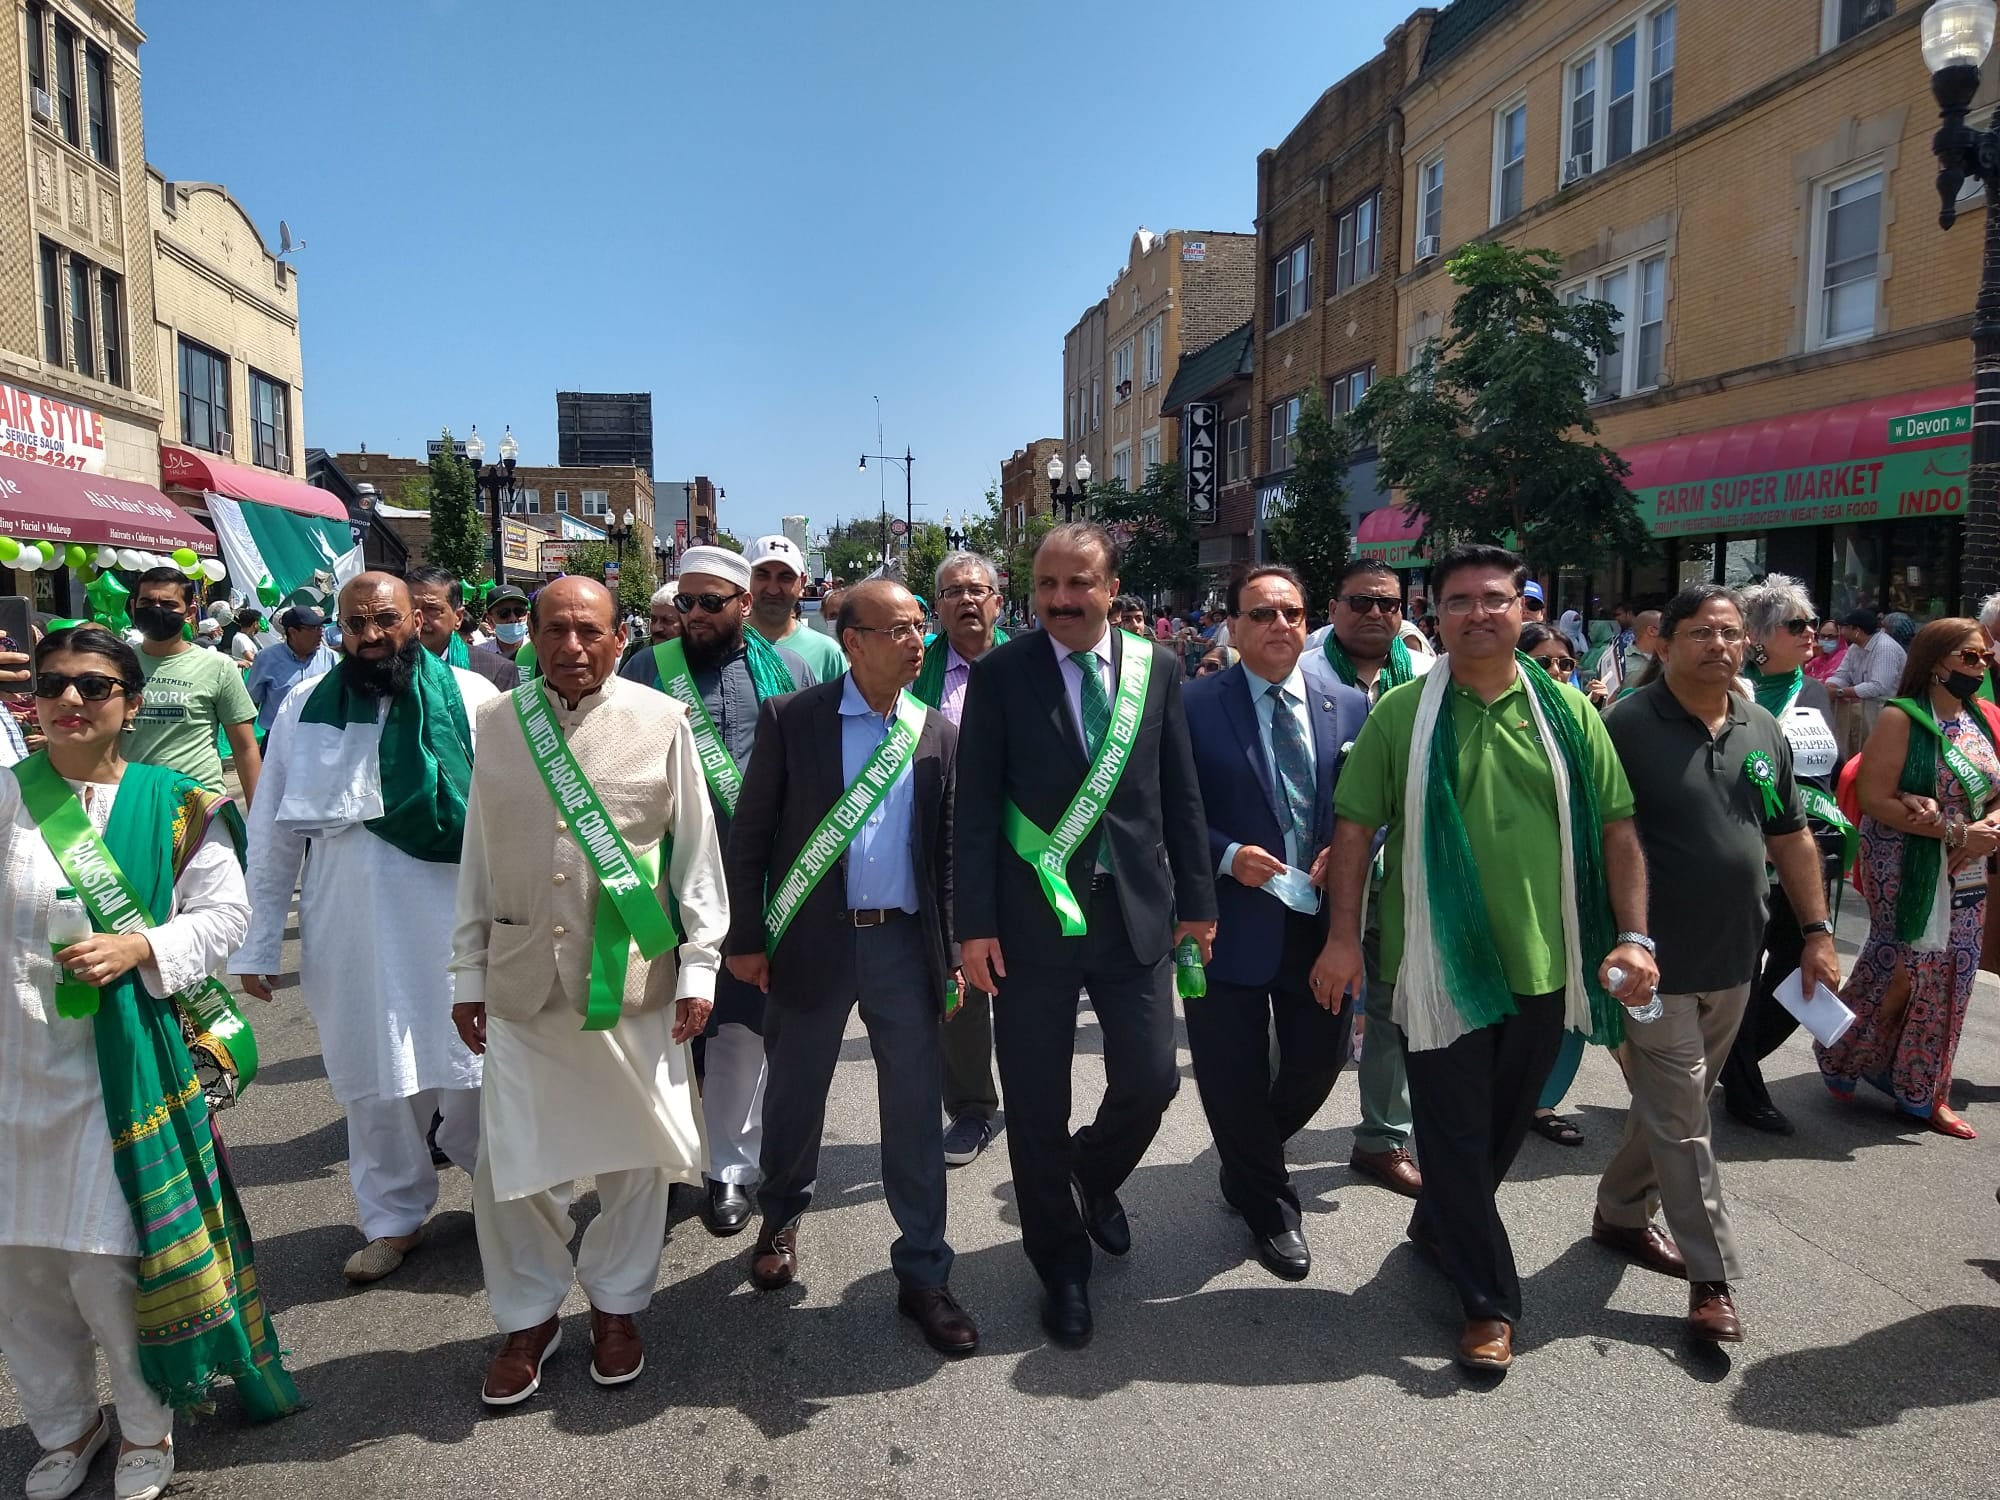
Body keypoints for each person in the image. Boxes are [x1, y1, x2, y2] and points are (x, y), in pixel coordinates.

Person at [1311, 543, 1652, 1373]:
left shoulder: (1570, 714)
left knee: (1501, 1128)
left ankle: (1439, 1225)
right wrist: (1345, 939)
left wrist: (1635, 936)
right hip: (1437, 967)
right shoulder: (1402, 712)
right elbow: (1354, 832)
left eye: (1494, 598)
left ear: (1523, 608)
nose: (1477, 614)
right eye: (1458, 601)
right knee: (1456, 1139)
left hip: (1545, 962)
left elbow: (1616, 829)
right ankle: (1489, 1304)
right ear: (1437, 615)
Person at [2, 624, 298, 1500]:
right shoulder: (7, 796)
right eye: (52, 685)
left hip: (119, 1064)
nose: (69, 702)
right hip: (13, 1066)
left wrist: (139, 947)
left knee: (103, 1261)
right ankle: (64, 1426)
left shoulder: (173, 803)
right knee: (20, 1266)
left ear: (131, 704)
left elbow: (223, 917)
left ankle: (142, 1425)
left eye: (93, 686)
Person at [450, 577, 726, 1405]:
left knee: (634, 1158)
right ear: (528, 637)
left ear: (619, 637)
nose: (572, 645)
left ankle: (617, 1306)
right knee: (517, 1162)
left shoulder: (662, 720)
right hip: (524, 975)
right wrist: (467, 971)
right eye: (555, 629)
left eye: (589, 630)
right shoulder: (498, 722)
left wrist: (703, 963)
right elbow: (479, 857)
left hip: (631, 978)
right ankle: (530, 1315)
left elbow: (696, 856)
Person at [956, 522, 1216, 1348]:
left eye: (1079, 585)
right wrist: (973, 928)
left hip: (1134, 910)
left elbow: (1180, 794)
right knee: (1036, 1101)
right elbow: (973, 808)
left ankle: (1089, 1176)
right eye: (1046, 586)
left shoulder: (1159, 668)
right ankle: (1060, 1265)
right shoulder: (1001, 673)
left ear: (1112, 589)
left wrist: (1198, 902)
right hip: (1029, 919)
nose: (1061, 601)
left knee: (1151, 1079)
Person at [723, 580, 975, 1354]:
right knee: (796, 1094)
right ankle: (782, 1217)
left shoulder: (935, 731)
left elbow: (947, 856)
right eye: (897, 629)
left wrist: (955, 949)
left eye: (918, 628)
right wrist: (746, 936)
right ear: (851, 639)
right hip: (812, 940)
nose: (915, 642)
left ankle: (924, 1272)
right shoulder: (792, 720)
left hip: (904, 944)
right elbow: (753, 836)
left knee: (912, 1111)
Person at [231, 573, 496, 1283]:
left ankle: (508, 1203)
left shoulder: (475, 700)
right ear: (338, 631)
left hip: (456, 917)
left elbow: (514, 818)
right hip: (348, 923)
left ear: (419, 620)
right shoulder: (300, 708)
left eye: (386, 619)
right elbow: (274, 831)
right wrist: (259, 941)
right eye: (355, 623)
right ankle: (393, 1220)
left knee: (479, 1074)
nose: (371, 634)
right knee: (374, 1083)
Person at [1600, 585, 1840, 1346]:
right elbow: (1600, 838)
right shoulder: (1626, 727)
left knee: (1675, 1106)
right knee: (1685, 1115)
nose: (1719, 645)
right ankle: (1713, 1278)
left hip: (1737, 956)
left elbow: (1792, 837)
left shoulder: (1760, 727)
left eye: (1732, 633)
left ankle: (1617, 1212)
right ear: (1663, 643)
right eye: (1700, 632)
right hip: (1651, 964)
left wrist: (1817, 930)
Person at [617, 546, 815, 1235]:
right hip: (661, 877)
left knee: (738, 1030)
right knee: (659, 1022)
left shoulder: (786, 670)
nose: (692, 616)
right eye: (683, 604)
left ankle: (730, 1169)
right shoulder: (645, 668)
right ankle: (664, 1163)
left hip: (751, 878)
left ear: (741, 605)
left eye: (708, 603)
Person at [1185, 565, 1368, 1279]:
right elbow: (1167, 812)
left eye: (1291, 613)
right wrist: (1226, 856)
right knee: (1228, 1074)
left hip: (1319, 926)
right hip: (1223, 923)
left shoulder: (1349, 705)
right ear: (1231, 626)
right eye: (1261, 614)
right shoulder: (1193, 705)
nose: (1279, 627)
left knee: (1318, 1062)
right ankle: (1269, 1203)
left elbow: (1370, 812)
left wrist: (1347, 850)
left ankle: (1246, 1156)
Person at [1818, 617, 2000, 1139]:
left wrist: (1986, 827)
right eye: (1969, 657)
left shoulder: (1984, 718)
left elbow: (1995, 791)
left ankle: (1924, 1092)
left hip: (1966, 866)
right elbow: (1876, 800)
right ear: (1935, 662)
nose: (1980, 667)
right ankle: (1841, 1053)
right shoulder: (1903, 719)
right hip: (1904, 862)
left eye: (1985, 658)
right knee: (1901, 969)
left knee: (1954, 975)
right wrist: (1956, 832)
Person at [1307, 559, 1431, 1199]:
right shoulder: (1305, 675)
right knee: (1308, 1012)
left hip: (1403, 875)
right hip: (1317, 874)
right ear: (1333, 608)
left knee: (1390, 1010)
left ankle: (1382, 1138)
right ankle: (1262, 1121)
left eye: (1388, 603)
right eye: (1361, 602)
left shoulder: (1430, 680)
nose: (1376, 613)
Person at [1719, 575, 1848, 1134]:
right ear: (1759, 637)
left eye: (1812, 624)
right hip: (1746, 859)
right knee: (1741, 976)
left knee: (1801, 969)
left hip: (1806, 858)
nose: (1811, 634)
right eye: (1797, 625)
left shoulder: (1815, 691)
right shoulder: (1729, 696)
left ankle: (1732, 1059)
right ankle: (1745, 1089)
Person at [911, 552, 1009, 1167]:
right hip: (944, 849)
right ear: (937, 606)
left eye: (978, 591)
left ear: (999, 601)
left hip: (1028, 848)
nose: (967, 601)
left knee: (1028, 984)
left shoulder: (1031, 661)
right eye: (952, 593)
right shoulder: (914, 665)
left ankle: (1038, 1097)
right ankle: (972, 1108)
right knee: (961, 985)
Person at [1518, 622, 1596, 1146]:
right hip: (1517, 883)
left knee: (1572, 993)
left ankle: (1543, 1101)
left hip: (1574, 880)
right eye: (1542, 661)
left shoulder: (1586, 718)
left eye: (1564, 664)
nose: (1555, 672)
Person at [125, 567, 261, 806]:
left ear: (189, 613)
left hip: (201, 809)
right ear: (134, 607)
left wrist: (260, 821)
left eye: (168, 604)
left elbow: (245, 748)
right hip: (133, 804)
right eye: (147, 602)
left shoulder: (218, 666)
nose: (156, 610)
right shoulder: (116, 664)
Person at [744, 535, 847, 681]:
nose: (773, 589)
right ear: (748, 577)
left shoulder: (827, 654)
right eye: (763, 576)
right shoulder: (721, 645)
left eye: (785, 577)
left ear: (802, 582)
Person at [407, 567, 520, 692]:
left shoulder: (496, 672)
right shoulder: (386, 665)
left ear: (458, 617)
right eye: (410, 608)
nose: (418, 619)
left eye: (432, 609)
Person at [245, 606, 336, 736]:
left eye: (321, 627)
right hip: (278, 739)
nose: (320, 633)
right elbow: (250, 704)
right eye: (313, 628)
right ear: (293, 632)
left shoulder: (329, 657)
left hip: (319, 738)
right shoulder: (266, 659)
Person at [1828, 608, 1908, 746]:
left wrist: (1840, 692)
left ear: (1857, 630)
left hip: (1888, 712)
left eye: (1845, 628)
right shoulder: (1855, 647)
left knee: (1881, 750)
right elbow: (1843, 674)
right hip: (1868, 711)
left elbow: (1878, 686)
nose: (1842, 632)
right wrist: (1830, 686)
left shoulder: (1885, 648)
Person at [481, 585, 532, 665]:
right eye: (503, 613)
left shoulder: (540, 653)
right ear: (490, 620)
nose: (513, 618)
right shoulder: (479, 656)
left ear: (528, 616)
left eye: (519, 611)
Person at [1806, 618, 1847, 683]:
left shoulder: (1845, 658)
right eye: (1822, 636)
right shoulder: (1818, 660)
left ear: (1840, 638)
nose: (1825, 639)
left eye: (1830, 636)